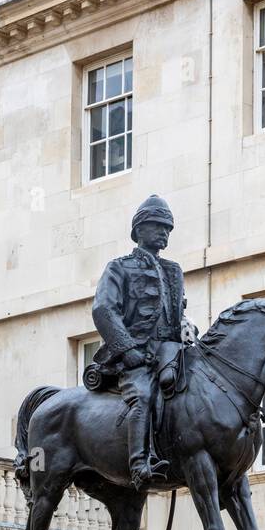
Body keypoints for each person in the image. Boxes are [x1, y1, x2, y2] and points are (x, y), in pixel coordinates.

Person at [91, 194, 195, 489]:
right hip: (137, 352)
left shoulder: (174, 270)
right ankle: (139, 463)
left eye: (168, 228)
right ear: (139, 230)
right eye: (157, 226)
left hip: (172, 348)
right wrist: (127, 349)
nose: (164, 232)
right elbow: (103, 310)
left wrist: (188, 329)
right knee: (143, 395)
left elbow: (178, 313)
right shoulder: (119, 267)